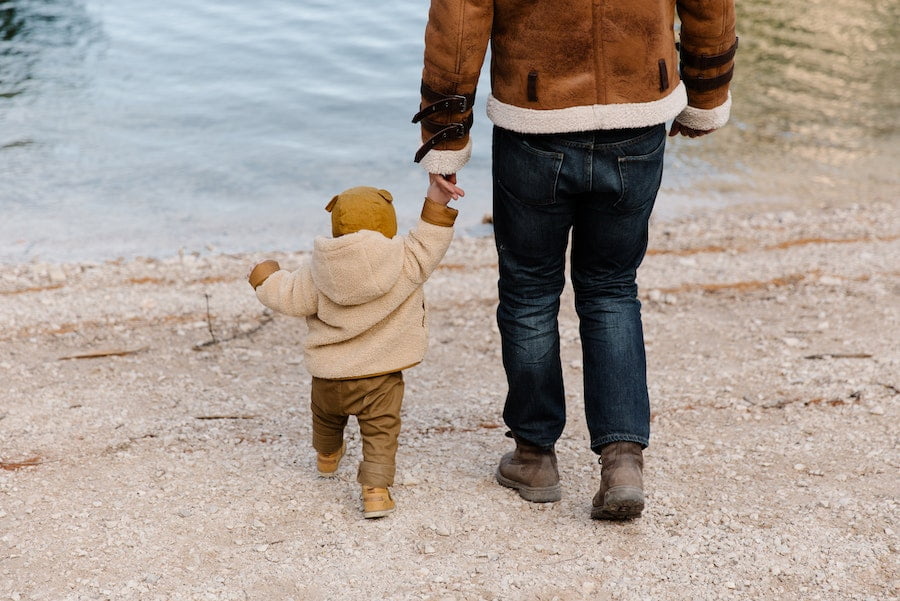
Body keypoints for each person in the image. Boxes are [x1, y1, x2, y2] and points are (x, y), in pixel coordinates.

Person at [413, 0, 737, 519]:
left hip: (534, 122)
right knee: (612, 288)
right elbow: (708, 6)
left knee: (529, 291)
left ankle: (534, 456)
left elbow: (460, 20)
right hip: (638, 115)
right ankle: (622, 461)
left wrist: (446, 137)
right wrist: (705, 96)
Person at [248, 183, 458, 518]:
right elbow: (432, 239)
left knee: (326, 420)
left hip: (329, 376)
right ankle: (375, 492)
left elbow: (285, 295)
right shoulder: (406, 258)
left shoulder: (317, 271)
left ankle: (327, 457)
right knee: (380, 433)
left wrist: (263, 275)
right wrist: (437, 200)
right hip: (380, 378)